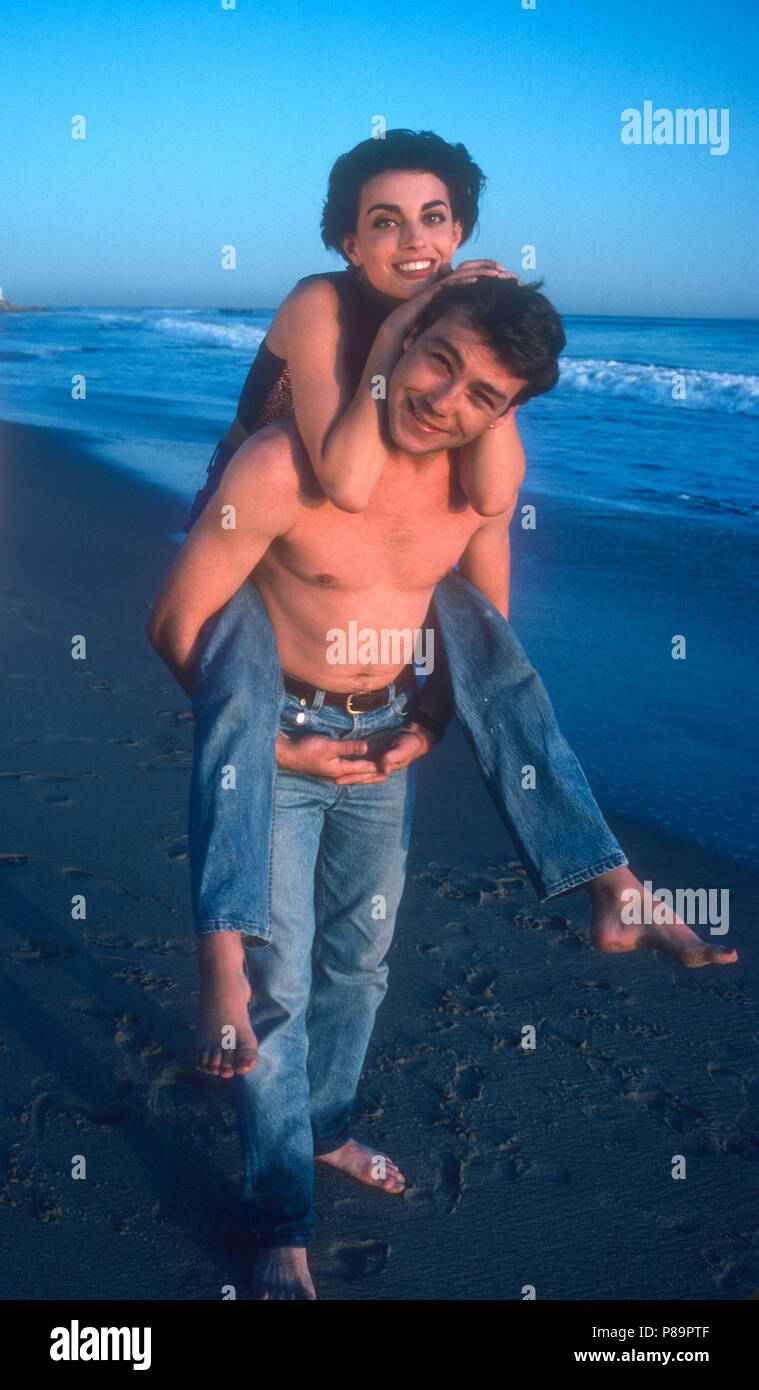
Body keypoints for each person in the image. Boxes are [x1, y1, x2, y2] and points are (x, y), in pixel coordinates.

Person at [147, 277, 737, 1299]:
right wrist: (280, 751)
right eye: (439, 361)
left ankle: (599, 884)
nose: (448, 398)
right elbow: (176, 627)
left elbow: (482, 638)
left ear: (507, 414)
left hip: (384, 746)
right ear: (401, 339)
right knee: (281, 992)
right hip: (277, 738)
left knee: (360, 968)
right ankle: (281, 1216)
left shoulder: (472, 484)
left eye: (485, 395)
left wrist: (424, 720)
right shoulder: (284, 463)